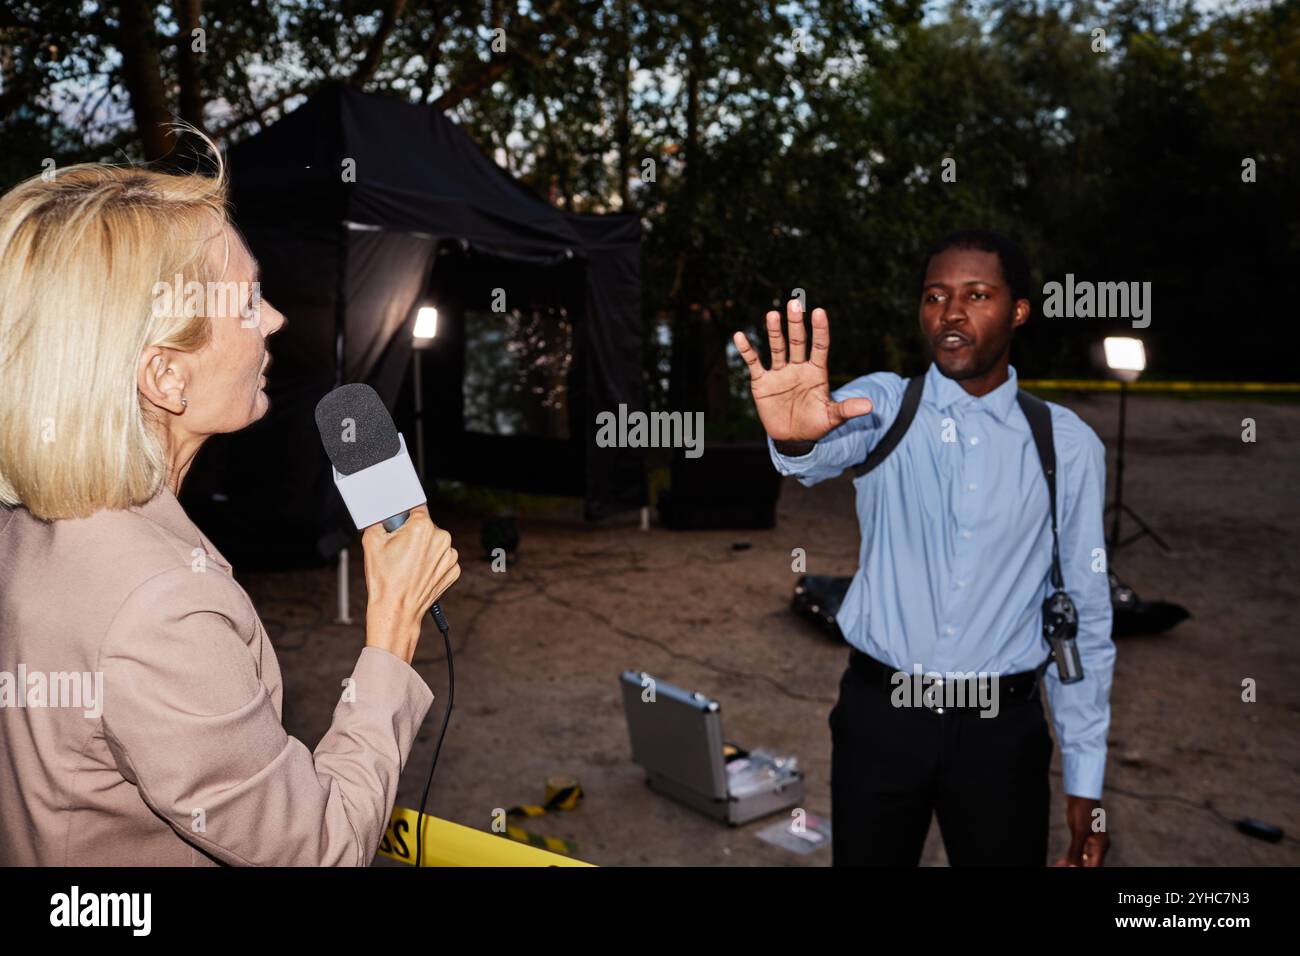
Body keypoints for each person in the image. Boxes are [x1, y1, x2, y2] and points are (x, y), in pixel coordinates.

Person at [0, 147, 460, 865]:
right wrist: (393, 628)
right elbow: (320, 850)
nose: (274, 319)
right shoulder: (160, 608)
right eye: (246, 301)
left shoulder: (22, 532)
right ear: (166, 376)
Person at [733, 230, 1115, 866]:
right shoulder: (886, 405)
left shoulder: (1066, 446)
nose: (952, 312)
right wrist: (797, 439)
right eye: (935, 296)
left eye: (977, 295)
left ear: (1018, 310)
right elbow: (821, 450)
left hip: (1002, 735)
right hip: (880, 722)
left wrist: (1086, 783)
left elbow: (1085, 618)